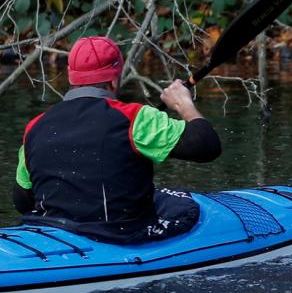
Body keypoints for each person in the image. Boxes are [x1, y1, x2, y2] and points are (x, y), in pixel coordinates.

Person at [12, 36, 221, 243]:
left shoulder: (35, 126)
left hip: (51, 229)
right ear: (114, 80)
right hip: (118, 234)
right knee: (180, 201)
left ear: (70, 76)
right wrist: (183, 104)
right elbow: (206, 145)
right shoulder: (135, 118)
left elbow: (22, 200)